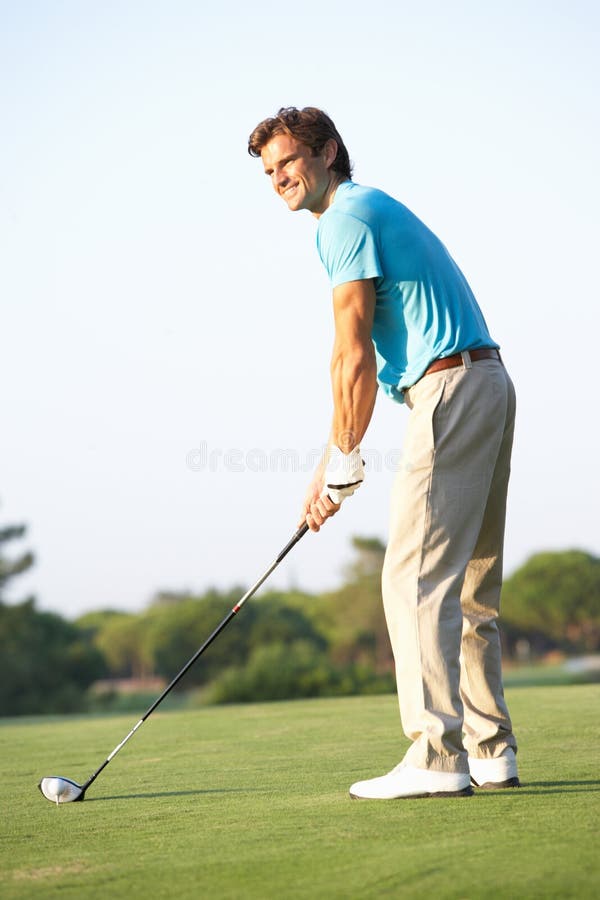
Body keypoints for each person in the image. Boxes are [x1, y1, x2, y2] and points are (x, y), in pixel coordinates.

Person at [248, 106, 520, 800]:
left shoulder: (341, 219)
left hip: (449, 388)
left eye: (289, 161)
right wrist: (331, 462)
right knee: (467, 586)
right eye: (270, 169)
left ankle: (436, 757)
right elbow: (360, 372)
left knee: (414, 580)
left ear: (328, 152)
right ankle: (490, 752)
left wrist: (346, 456)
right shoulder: (369, 208)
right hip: (484, 380)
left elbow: (352, 350)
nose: (280, 177)